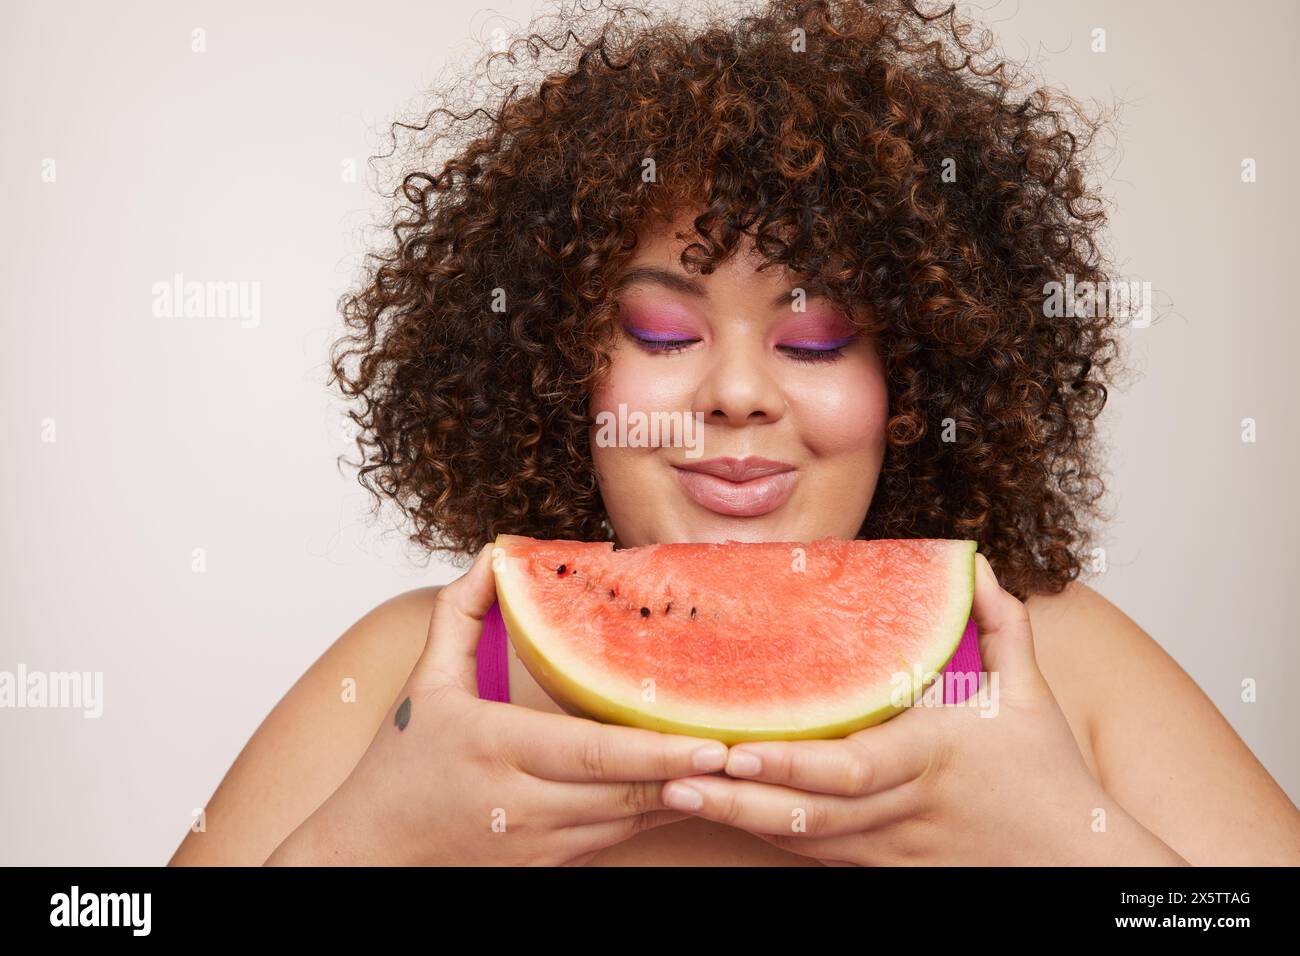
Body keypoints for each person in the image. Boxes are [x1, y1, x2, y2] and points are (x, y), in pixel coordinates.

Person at [169, 0, 1300, 866]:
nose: (738, 393)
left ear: (915, 377)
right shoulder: (429, 671)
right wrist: (362, 845)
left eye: (814, 339)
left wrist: (1073, 842)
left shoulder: (1047, 658)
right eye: (662, 330)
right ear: (561, 363)